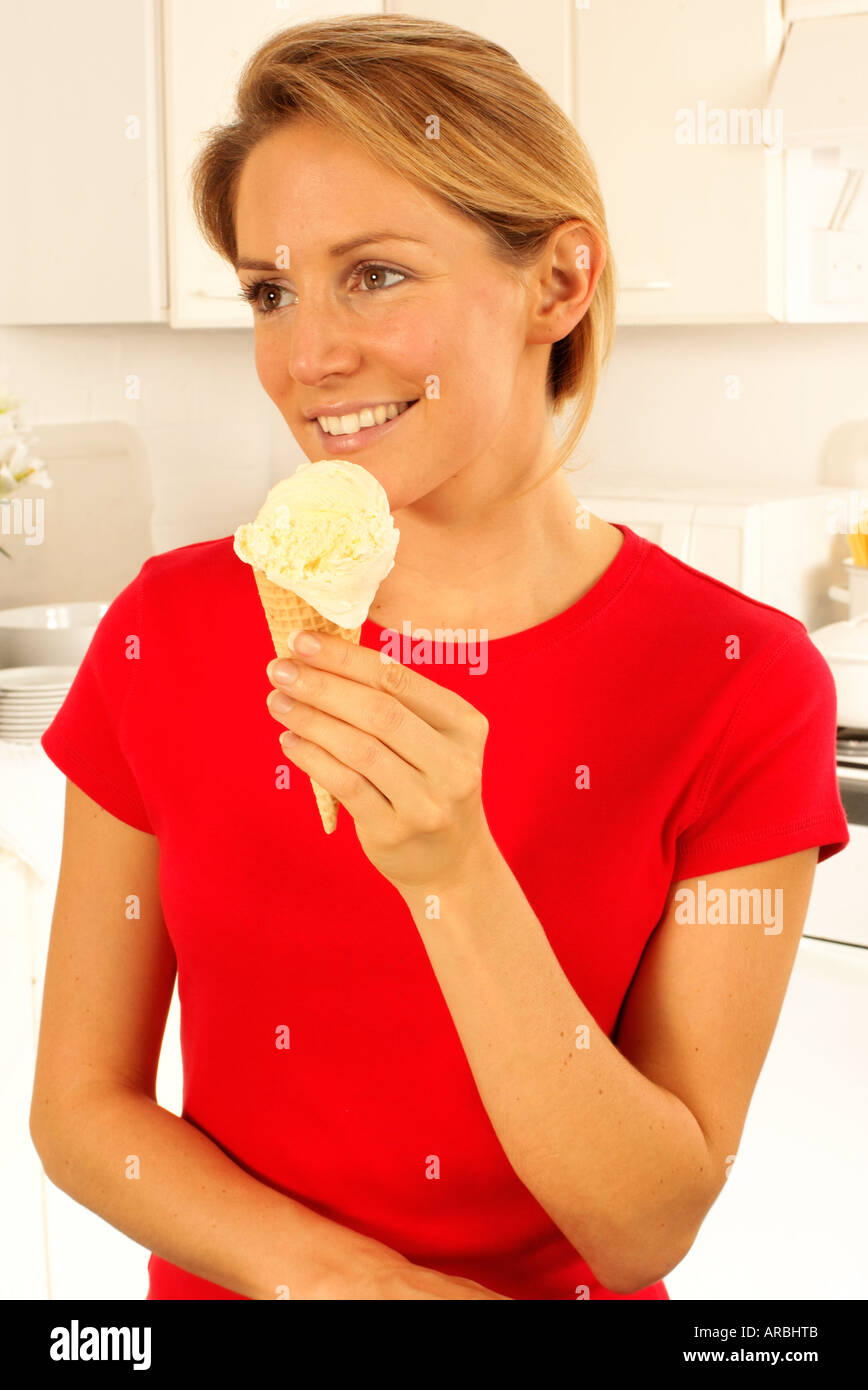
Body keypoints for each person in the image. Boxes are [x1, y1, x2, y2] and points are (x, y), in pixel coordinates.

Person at [30, 13, 849, 1301]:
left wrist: (456, 875)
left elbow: (646, 1228)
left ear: (560, 282)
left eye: (377, 275)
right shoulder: (166, 631)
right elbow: (80, 1110)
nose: (308, 358)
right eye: (271, 290)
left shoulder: (744, 683)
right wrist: (342, 1286)